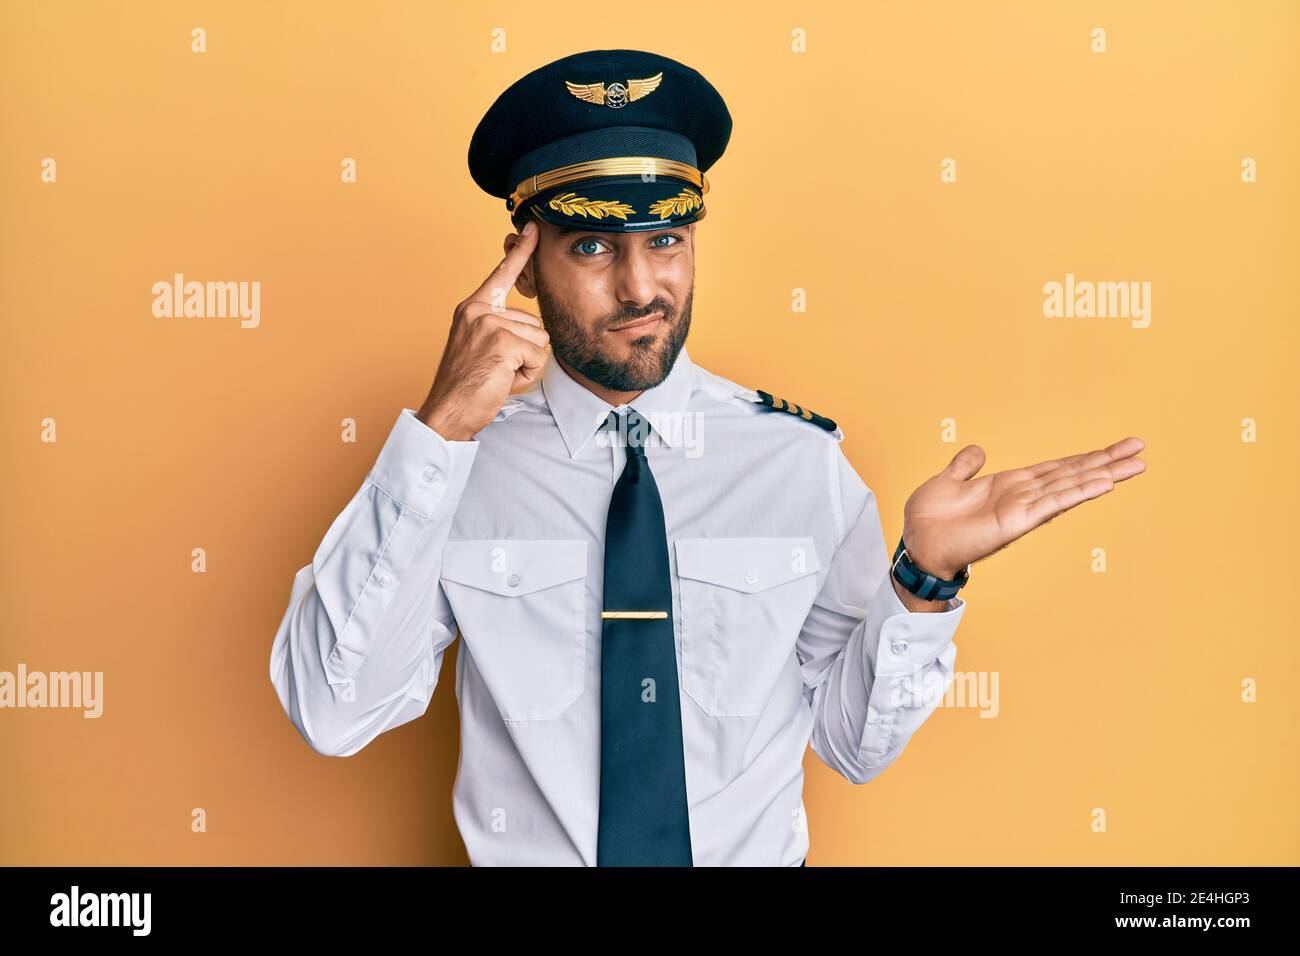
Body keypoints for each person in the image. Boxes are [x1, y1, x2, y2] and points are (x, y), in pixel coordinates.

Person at [268, 49, 1147, 867]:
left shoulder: (799, 463)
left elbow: (853, 744)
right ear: (523, 265)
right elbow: (331, 711)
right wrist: (441, 429)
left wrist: (923, 581)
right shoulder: (455, 470)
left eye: (666, 242)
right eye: (593, 246)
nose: (641, 287)